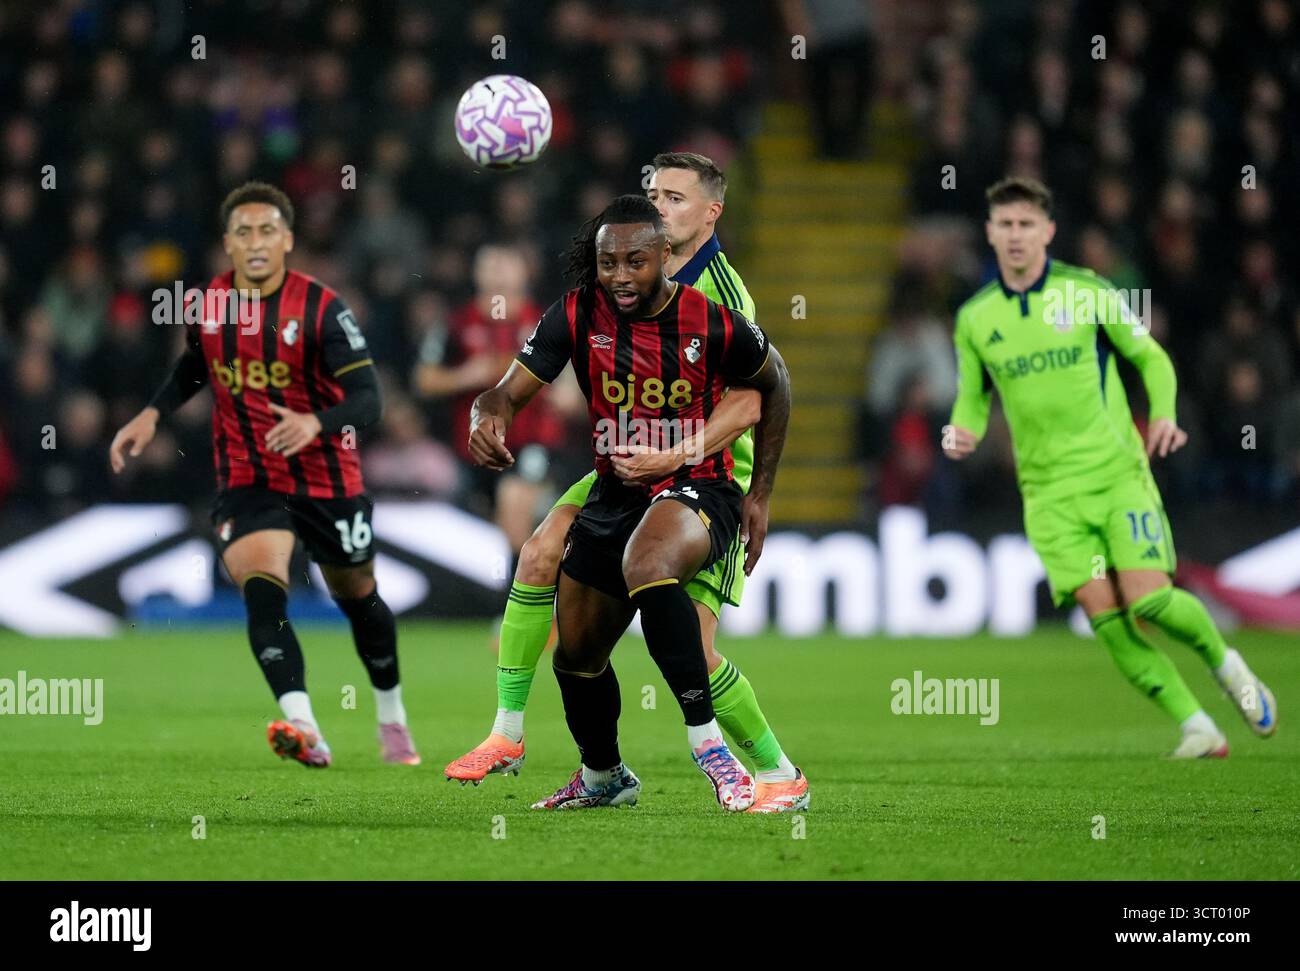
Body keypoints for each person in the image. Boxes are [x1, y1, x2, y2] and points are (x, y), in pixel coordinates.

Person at [445, 154, 809, 813]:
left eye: (675, 197)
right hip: (620, 473)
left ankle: (759, 765)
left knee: (673, 606)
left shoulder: (716, 301)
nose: (660, 205)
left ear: (694, 225)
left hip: (705, 474)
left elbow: (760, 393)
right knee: (554, 593)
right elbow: (513, 384)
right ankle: (556, 753)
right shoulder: (587, 304)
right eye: (654, 193)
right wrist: (487, 411)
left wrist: (745, 489)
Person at [944, 176, 1277, 758]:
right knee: (1105, 617)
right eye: (1005, 225)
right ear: (991, 233)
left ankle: (1228, 666)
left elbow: (1150, 357)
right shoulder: (976, 318)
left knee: (1148, 599)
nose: (1016, 235)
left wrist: (1167, 413)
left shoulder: (1086, 292)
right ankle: (1196, 724)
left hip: (1115, 473)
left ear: (1047, 231)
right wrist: (963, 428)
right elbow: (974, 394)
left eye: (1027, 224)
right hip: (1047, 495)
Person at [109, 181, 420, 768]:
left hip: (328, 477)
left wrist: (315, 423)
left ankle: (391, 713)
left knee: (359, 598)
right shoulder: (209, 305)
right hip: (249, 476)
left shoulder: (323, 308)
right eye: (244, 231)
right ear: (228, 242)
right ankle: (305, 727)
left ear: (288, 239)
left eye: (268, 230)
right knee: (262, 589)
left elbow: (369, 400)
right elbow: (193, 367)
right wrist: (152, 413)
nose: (256, 241)